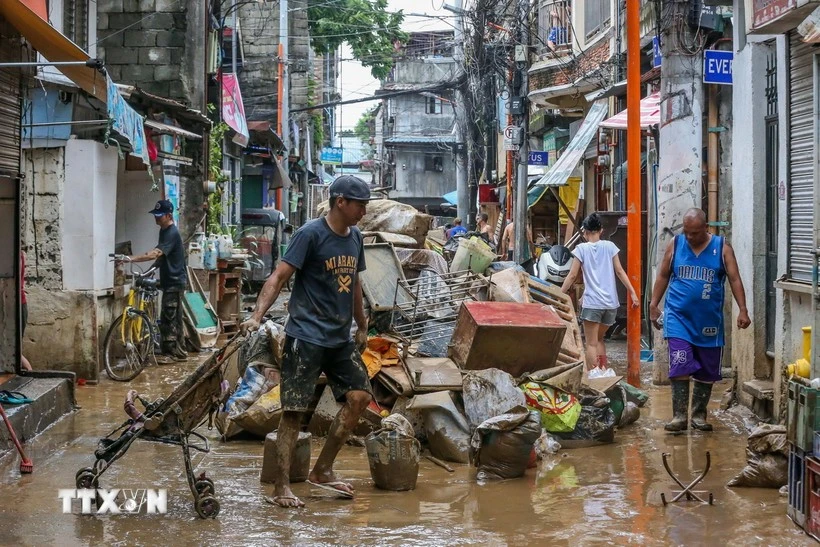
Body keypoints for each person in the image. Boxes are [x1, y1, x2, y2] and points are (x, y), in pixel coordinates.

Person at [240, 175, 372, 509]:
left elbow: (354, 282)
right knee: (294, 413)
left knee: (359, 397)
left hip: (339, 338)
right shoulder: (309, 234)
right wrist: (257, 315)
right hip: (305, 336)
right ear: (340, 202)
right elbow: (279, 277)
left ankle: (323, 469)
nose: (364, 211)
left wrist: (362, 322)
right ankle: (281, 487)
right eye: (360, 204)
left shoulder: (355, 237)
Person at [649, 208, 750, 432]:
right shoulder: (675, 245)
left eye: (694, 233)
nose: (690, 238)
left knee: (707, 370)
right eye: (686, 232)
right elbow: (664, 275)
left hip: (708, 322)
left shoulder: (722, 248)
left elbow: (734, 279)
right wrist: (654, 304)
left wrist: (743, 309)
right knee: (680, 361)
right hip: (678, 318)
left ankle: (698, 415)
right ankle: (679, 416)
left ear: (706, 228)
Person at [560, 213, 639, 372]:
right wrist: (633, 293)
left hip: (593, 304)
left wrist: (559, 294)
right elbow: (620, 272)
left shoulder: (581, 249)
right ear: (601, 230)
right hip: (610, 304)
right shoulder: (610, 247)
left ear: (585, 231)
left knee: (590, 343)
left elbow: (573, 276)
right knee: (600, 339)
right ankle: (603, 372)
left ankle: (594, 377)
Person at [126, 199, 188, 362]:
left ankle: (170, 353)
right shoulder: (164, 231)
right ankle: (179, 351)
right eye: (155, 215)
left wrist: (131, 259)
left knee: (168, 318)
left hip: (174, 281)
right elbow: (161, 258)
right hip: (170, 280)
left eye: (160, 216)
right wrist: (148, 272)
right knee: (174, 317)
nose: (156, 218)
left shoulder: (172, 232)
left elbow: (156, 253)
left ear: (168, 215)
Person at [20, 251, 31, 372]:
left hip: (15, 306)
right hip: (19, 304)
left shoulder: (11, 256)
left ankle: (30, 372)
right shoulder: (21, 254)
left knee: (14, 351)